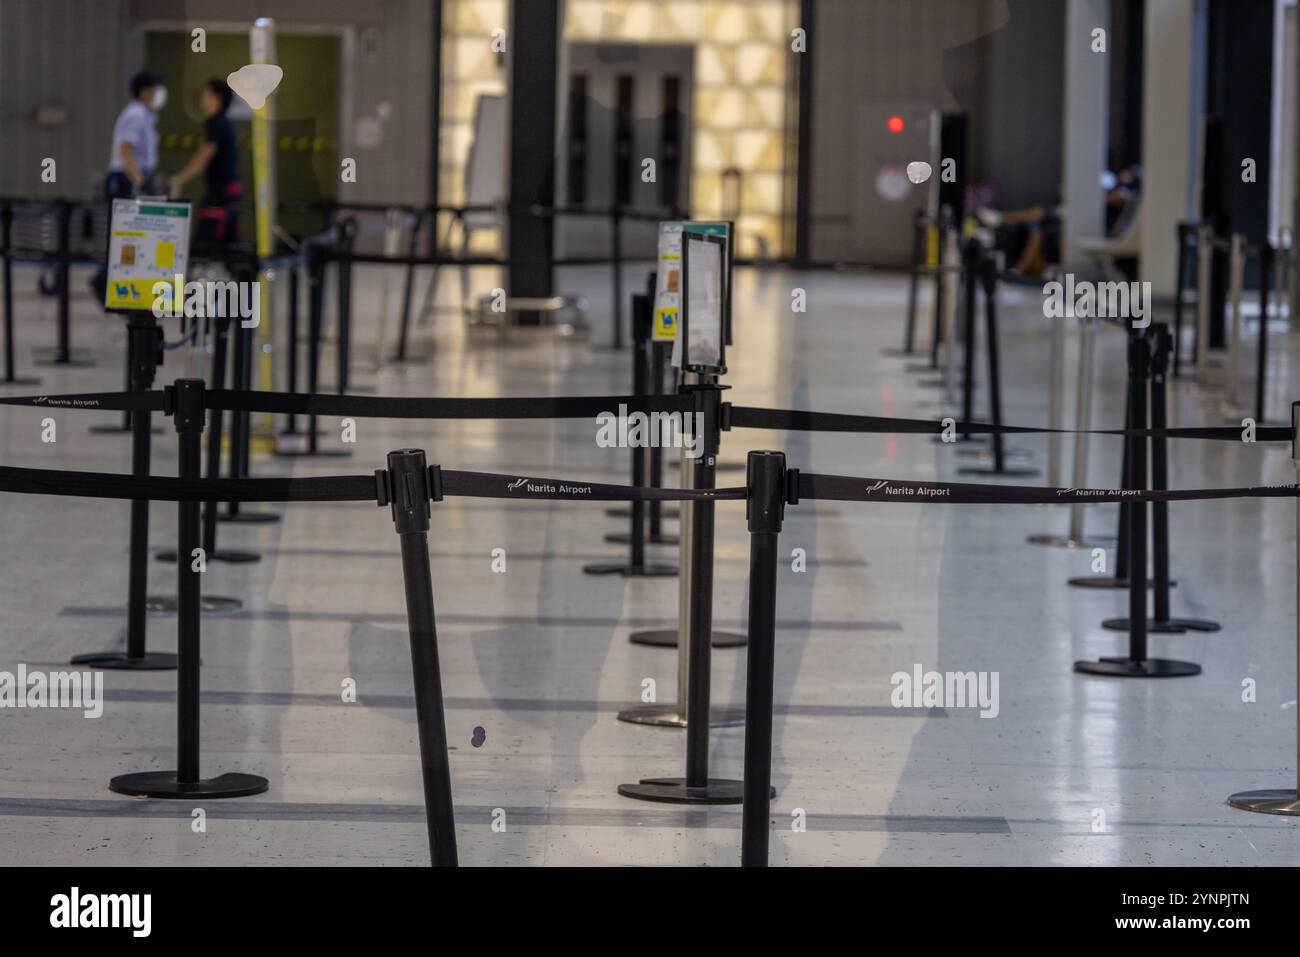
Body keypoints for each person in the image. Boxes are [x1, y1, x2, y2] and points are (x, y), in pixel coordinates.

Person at [91, 69, 165, 301]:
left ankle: (121, 285)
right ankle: (104, 284)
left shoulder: (145, 115)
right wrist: (139, 182)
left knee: (133, 236)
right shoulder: (135, 114)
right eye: (154, 89)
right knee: (125, 234)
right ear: (144, 91)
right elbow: (125, 149)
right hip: (126, 179)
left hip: (134, 177)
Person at [169, 78, 242, 249]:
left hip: (222, 196)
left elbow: (201, 159)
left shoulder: (218, 124)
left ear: (216, 98)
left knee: (203, 247)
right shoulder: (219, 123)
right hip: (226, 193)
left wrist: (179, 179)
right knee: (231, 249)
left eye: (206, 94)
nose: (202, 98)